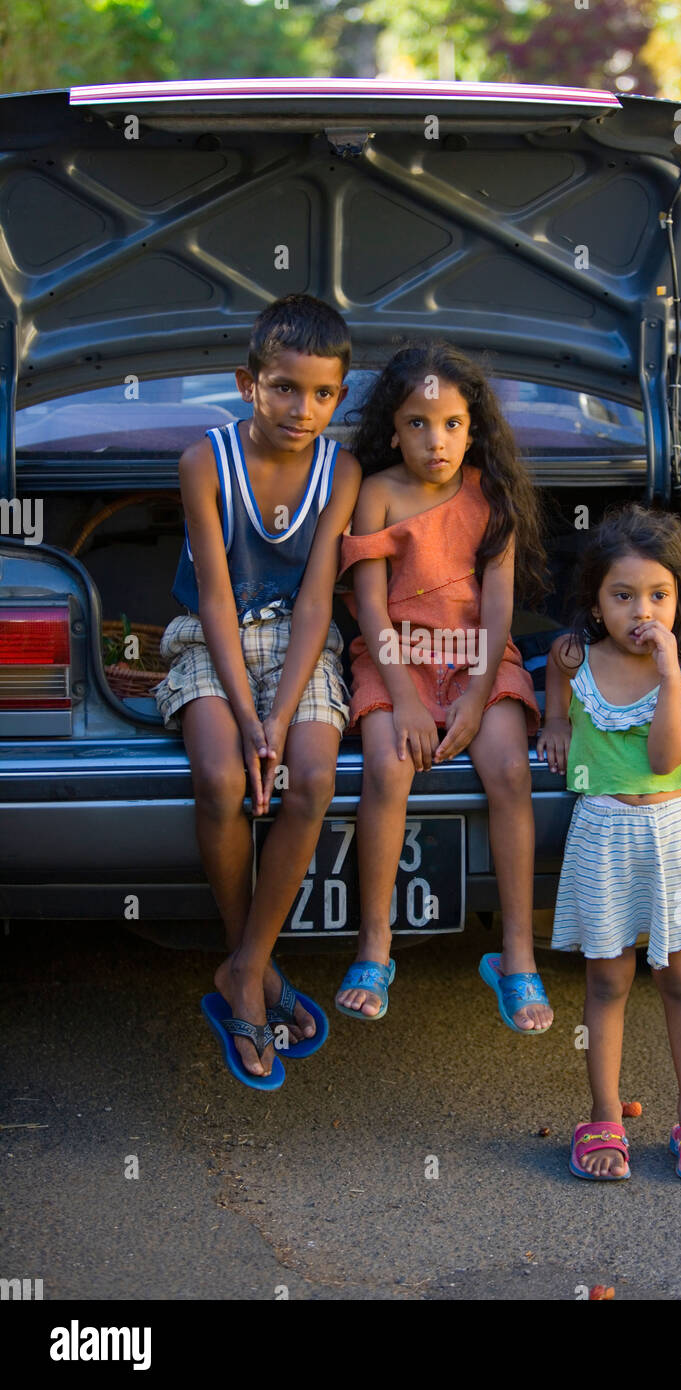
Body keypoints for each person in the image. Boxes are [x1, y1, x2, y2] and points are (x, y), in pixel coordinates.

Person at [152, 294, 361, 1089]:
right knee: (221, 776)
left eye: (321, 394)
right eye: (282, 388)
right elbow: (211, 599)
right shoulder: (205, 460)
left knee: (310, 775)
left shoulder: (341, 471)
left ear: (340, 395)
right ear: (248, 383)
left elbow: (316, 601)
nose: (300, 409)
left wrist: (279, 715)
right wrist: (247, 718)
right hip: (217, 640)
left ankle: (243, 968)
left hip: (303, 647)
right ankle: (253, 972)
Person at [333, 342, 554, 1034]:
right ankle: (376, 947)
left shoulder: (491, 494)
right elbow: (368, 605)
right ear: (393, 429)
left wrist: (481, 691)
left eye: (453, 424)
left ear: (474, 427)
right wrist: (401, 695)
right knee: (387, 766)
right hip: (395, 656)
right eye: (418, 424)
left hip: (478, 657)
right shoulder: (377, 492)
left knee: (509, 770)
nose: (437, 440)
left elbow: (498, 607)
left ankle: (515, 956)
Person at [537, 503, 681, 1179]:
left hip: (673, 835)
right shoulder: (577, 656)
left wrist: (667, 676)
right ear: (596, 602)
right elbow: (553, 670)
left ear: (679, 598)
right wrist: (556, 723)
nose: (642, 612)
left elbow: (664, 759)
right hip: (604, 834)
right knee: (607, 980)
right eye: (622, 595)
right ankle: (602, 1116)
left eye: (659, 596)